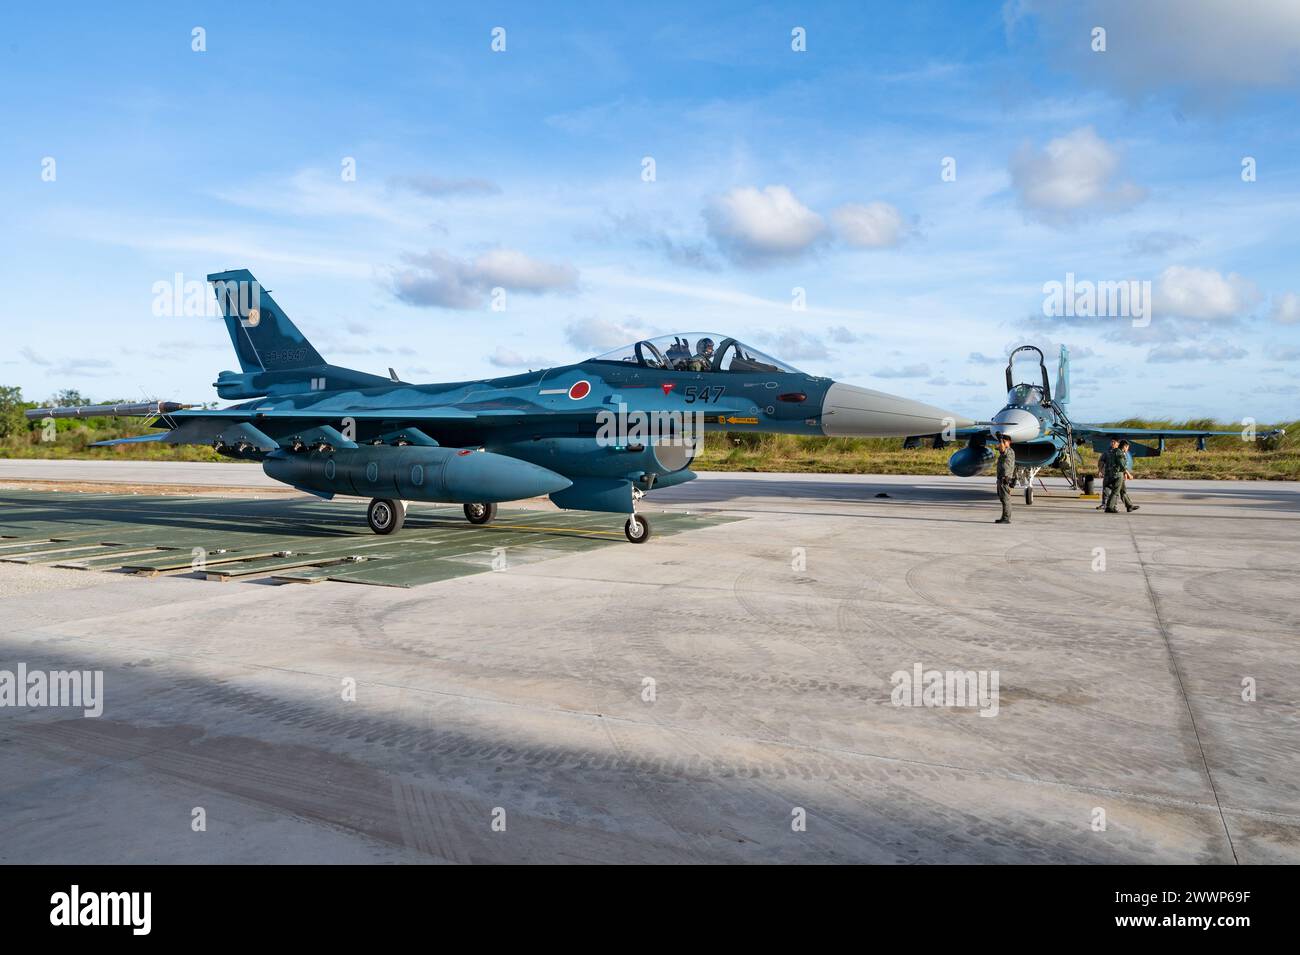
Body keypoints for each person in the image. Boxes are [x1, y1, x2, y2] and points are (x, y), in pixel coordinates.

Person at [1109, 439, 1139, 513]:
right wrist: (1128, 474)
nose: (1128, 449)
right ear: (1124, 446)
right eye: (1127, 447)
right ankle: (1110, 507)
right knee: (1116, 491)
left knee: (1123, 491)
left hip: (1117, 474)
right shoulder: (1119, 453)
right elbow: (1122, 465)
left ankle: (1129, 506)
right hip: (1117, 474)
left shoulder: (1115, 451)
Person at [994, 433, 1015, 524]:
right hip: (1001, 479)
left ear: (1008, 442)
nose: (1001, 443)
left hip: (1005, 479)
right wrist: (1000, 441)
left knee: (1006, 499)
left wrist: (1000, 439)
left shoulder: (1009, 451)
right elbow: (999, 448)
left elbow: (1002, 449)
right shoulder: (1006, 451)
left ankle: (1006, 518)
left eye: (1004, 441)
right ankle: (1004, 517)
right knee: (1003, 499)